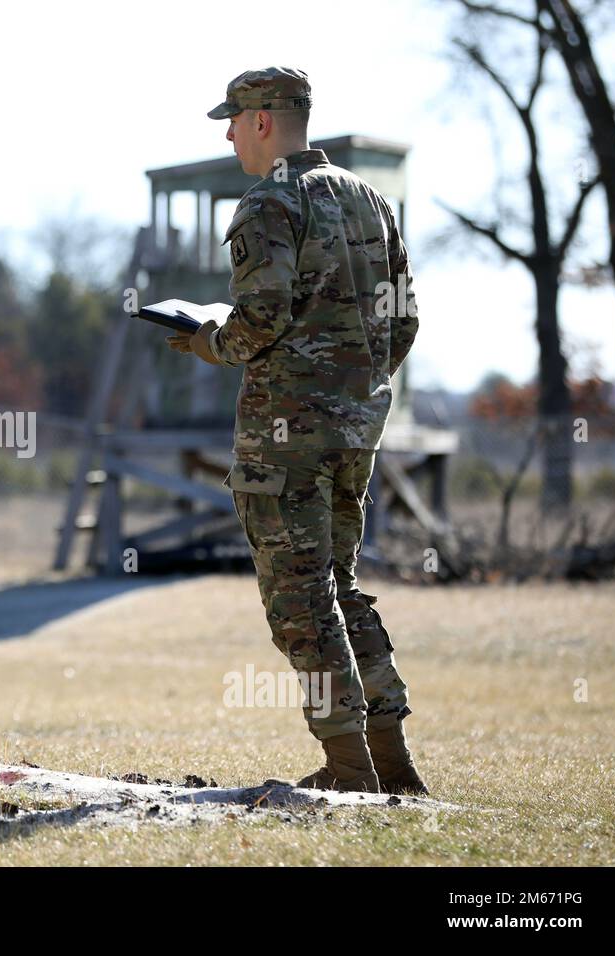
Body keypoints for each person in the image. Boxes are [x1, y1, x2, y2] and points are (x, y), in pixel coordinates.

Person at [168, 68, 427, 794]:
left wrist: (203, 341)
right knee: (340, 587)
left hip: (287, 437)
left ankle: (350, 769)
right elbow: (403, 320)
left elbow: (258, 320)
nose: (226, 134)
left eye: (231, 120)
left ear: (261, 121)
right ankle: (393, 763)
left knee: (299, 600)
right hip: (356, 430)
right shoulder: (370, 200)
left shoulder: (268, 202)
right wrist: (355, 386)